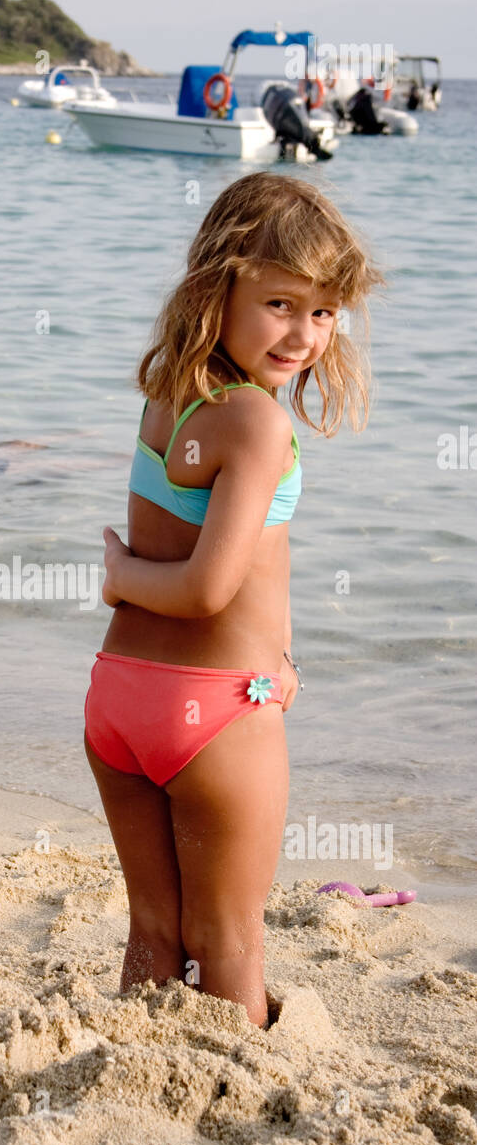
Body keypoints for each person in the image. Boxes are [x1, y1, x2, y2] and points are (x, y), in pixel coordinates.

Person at [84, 173, 384, 1028]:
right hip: (213, 711)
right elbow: (209, 586)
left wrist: (282, 656)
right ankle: (233, 1094)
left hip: (118, 702)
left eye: (324, 314)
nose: (305, 335)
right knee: (230, 939)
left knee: (153, 932)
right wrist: (118, 577)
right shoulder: (258, 422)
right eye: (281, 305)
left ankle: (133, 1077)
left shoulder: (166, 393)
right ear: (218, 285)